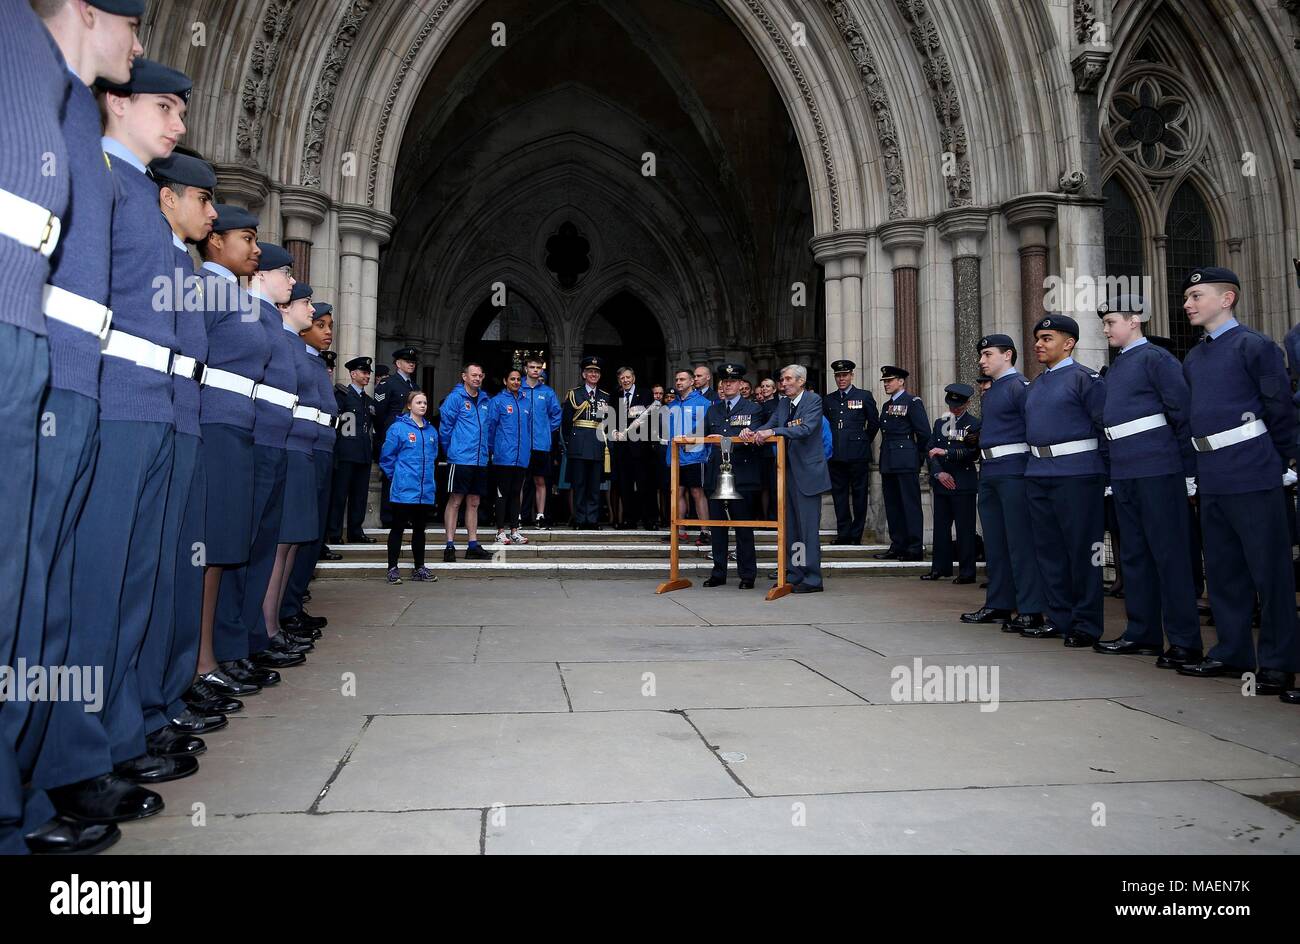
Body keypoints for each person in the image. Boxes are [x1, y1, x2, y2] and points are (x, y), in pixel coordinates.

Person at [46, 58, 197, 828]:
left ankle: (115, 732)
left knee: (133, 586)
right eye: (164, 107)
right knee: (93, 590)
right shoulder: (103, 175)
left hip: (151, 402)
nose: (177, 123)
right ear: (117, 104)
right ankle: (74, 759)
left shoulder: (136, 189)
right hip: (111, 397)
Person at [10, 0, 141, 856]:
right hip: (49, 362)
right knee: (29, 593)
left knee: (53, 596)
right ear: (90, 11)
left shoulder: (61, 97)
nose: (138, 43)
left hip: (76, 375)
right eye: (132, 24)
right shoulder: (26, 62)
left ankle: (59, 763)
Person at [1174, 267, 1299, 700]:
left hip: (1252, 469)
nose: (1187, 303)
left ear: (1227, 298)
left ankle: (1280, 663)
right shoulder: (1195, 356)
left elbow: (1278, 407)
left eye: (1195, 295)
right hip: (1213, 474)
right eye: (1187, 297)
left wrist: (1284, 458)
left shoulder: (1255, 346)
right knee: (1224, 570)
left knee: (1270, 572)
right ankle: (1232, 653)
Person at [137, 151, 221, 761]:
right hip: (139, 407)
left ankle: (160, 698)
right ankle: (124, 725)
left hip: (176, 415)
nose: (211, 213)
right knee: (134, 574)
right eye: (204, 200)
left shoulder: (181, 260)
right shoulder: (136, 219)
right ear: (169, 197)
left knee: (167, 569)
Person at [1090, 298, 1203, 667]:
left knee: (1168, 556)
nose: (1106, 330)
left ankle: (1185, 641)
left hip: (1158, 469)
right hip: (1126, 472)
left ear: (1134, 321)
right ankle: (1142, 632)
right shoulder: (1120, 365)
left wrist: (1188, 474)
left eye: (1110, 323)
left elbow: (1182, 415)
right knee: (1135, 555)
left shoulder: (1156, 358)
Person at [1022, 313, 1108, 648]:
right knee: (1049, 551)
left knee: (1083, 551)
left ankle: (1086, 623)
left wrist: (1105, 475)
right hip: (1039, 474)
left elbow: (1104, 428)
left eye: (1047, 339)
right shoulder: (1036, 384)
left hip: (1078, 475)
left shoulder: (1085, 379)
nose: (1039, 345)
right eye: (1038, 339)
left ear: (1068, 343)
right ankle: (1059, 617)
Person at [961, 337, 1045, 630]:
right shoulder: (994, 391)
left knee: (1020, 542)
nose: (982, 360)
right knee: (996, 542)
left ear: (1007, 355)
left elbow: (1034, 429)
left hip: (1014, 471)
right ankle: (999, 603)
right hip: (991, 469)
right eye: (980, 354)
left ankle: (1031, 608)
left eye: (987, 354)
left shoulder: (1019, 387)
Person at [742, 364, 831, 592]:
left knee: (807, 530)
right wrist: (752, 432)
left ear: (801, 381)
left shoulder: (813, 401)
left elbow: (807, 429)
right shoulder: (783, 404)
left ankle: (812, 579)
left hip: (808, 475)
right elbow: (769, 425)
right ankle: (795, 573)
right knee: (792, 529)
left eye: (789, 379)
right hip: (787, 473)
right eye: (782, 379)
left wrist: (773, 432)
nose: (784, 383)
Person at [279, 301, 337, 636]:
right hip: (307, 448)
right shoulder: (297, 356)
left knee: (311, 535)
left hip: (323, 448)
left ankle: (293, 603)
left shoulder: (315, 362)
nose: (328, 332)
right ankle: (286, 609)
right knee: (298, 535)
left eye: (330, 326)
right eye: (321, 325)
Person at [702, 364, 762, 589]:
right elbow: (705, 436)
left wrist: (726, 439)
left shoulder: (753, 409)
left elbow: (754, 439)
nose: (728, 384)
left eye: (732, 381)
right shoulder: (713, 409)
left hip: (742, 474)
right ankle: (719, 573)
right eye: (725, 381)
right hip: (717, 474)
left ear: (740, 384)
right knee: (718, 527)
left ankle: (747, 575)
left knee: (743, 527)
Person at [922, 384, 981, 584]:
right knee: (941, 528)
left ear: (967, 404)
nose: (954, 408)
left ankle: (966, 571)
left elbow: (972, 453)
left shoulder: (973, 425)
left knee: (965, 529)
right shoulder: (941, 423)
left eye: (958, 404)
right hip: (942, 483)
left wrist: (947, 453)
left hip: (962, 483)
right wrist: (938, 473)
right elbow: (930, 450)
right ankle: (940, 567)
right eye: (951, 404)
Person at [379, 391, 440, 584]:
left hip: (425, 490)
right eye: (418, 402)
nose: (423, 405)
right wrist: (398, 477)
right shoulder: (398, 428)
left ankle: (419, 567)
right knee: (398, 528)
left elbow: (434, 458)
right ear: (409, 405)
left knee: (420, 530)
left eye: (425, 402)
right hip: (404, 490)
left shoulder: (431, 431)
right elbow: (387, 457)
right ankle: (392, 568)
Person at [875, 365, 929, 561]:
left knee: (910, 505)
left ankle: (914, 548)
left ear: (901, 381)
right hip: (888, 460)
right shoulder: (886, 406)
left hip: (906, 460)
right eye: (885, 381)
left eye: (890, 380)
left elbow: (924, 433)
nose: (886, 384)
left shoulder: (912, 402)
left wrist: (918, 459)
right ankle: (898, 544)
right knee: (893, 505)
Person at [439, 361, 493, 560]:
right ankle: (450, 545)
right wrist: (451, 451)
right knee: (455, 500)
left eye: (480, 375)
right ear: (464, 377)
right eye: (473, 375)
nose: (477, 378)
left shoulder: (486, 400)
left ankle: (472, 544)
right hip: (460, 458)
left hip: (479, 460)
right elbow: (445, 429)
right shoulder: (455, 399)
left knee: (474, 501)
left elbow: (489, 429)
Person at [823, 359, 879, 545]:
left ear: (851, 375)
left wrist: (862, 441)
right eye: (838, 376)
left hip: (858, 454)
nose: (841, 379)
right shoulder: (829, 399)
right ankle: (844, 534)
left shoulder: (864, 396)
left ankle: (856, 535)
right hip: (835, 455)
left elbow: (873, 423)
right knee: (839, 496)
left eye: (844, 375)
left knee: (859, 495)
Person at [328, 356, 376, 544]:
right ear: (353, 374)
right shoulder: (342, 396)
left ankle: (356, 531)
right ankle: (334, 532)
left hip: (363, 453)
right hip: (346, 452)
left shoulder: (368, 401)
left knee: (359, 496)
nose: (367, 376)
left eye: (368, 373)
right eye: (364, 372)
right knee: (340, 495)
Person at [373, 346, 422, 528]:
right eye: (407, 361)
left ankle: (404, 516)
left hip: (410, 439)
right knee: (390, 476)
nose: (411, 364)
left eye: (413, 362)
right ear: (397, 364)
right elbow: (379, 414)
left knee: (408, 476)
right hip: (393, 437)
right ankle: (388, 517)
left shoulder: (414, 387)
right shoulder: (389, 384)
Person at [562, 355, 612, 528]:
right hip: (578, 444)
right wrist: (569, 443)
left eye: (596, 372)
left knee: (594, 485)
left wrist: (608, 445)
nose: (593, 374)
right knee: (579, 484)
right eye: (590, 371)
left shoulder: (605, 396)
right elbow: (566, 422)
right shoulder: (574, 394)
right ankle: (579, 519)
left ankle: (592, 519)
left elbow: (608, 423)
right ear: (584, 374)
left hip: (598, 444)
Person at [663, 368, 710, 543]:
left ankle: (705, 532)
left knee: (697, 492)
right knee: (678, 492)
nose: (678, 382)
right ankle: (679, 530)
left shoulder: (703, 403)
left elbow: (708, 429)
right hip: (675, 457)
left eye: (682, 379)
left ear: (692, 382)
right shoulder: (671, 405)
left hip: (695, 456)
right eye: (677, 379)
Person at [487, 368, 532, 545]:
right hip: (503, 456)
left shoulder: (526, 402)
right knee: (502, 494)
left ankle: (514, 530)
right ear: (505, 381)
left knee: (515, 494)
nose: (516, 382)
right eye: (512, 379)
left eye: (518, 379)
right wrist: (492, 450)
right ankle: (500, 531)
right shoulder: (497, 401)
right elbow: (491, 428)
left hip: (521, 457)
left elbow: (528, 429)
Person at [610, 366, 658, 528]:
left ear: (634, 378)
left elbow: (650, 418)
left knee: (645, 485)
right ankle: (630, 520)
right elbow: (611, 418)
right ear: (619, 381)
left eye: (628, 377)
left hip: (641, 448)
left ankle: (649, 520)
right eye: (622, 378)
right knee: (625, 485)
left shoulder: (645, 394)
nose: (625, 380)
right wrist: (615, 431)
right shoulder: (615, 395)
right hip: (622, 449)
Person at [519, 354, 561, 528]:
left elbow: (557, 415)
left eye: (538, 367)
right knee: (520, 481)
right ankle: (519, 515)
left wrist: (545, 430)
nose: (535, 370)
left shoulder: (547, 392)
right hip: (521, 444)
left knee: (540, 481)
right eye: (532, 367)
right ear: (526, 369)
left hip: (541, 444)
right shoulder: (517, 388)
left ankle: (540, 515)